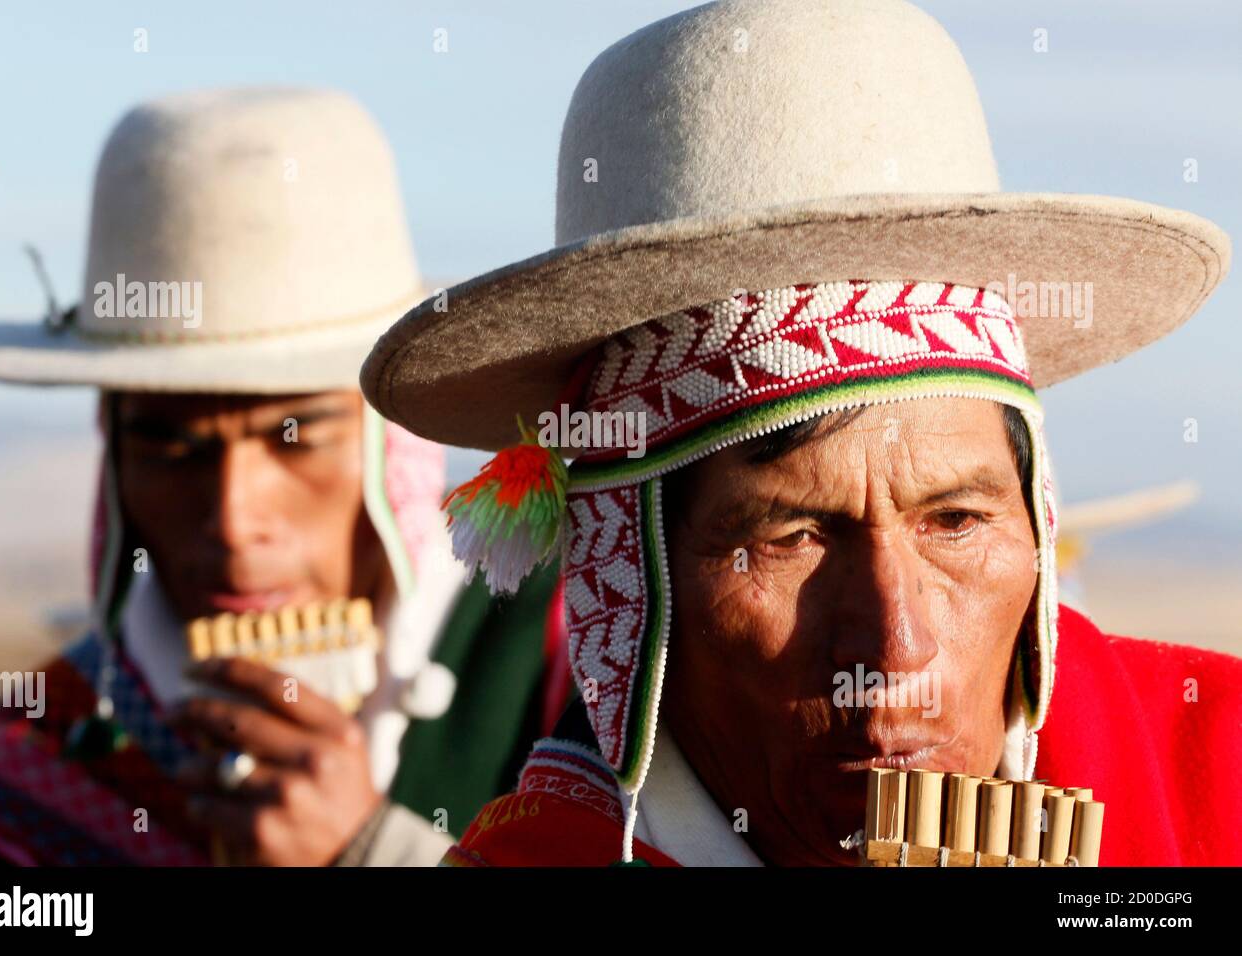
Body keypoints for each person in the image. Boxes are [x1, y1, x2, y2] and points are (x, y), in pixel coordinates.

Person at [359, 0, 1239, 866]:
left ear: (1038, 524)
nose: (897, 649)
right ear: (627, 588)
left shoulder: (1216, 775)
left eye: (957, 521)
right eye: (791, 537)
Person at [0, 88, 564, 866]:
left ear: (393, 445)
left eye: (293, 437)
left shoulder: (578, 656)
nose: (233, 519)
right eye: (172, 448)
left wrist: (372, 852)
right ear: (116, 461)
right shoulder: (36, 763)